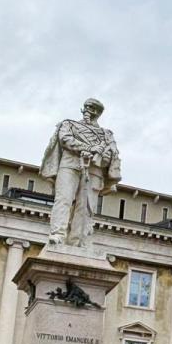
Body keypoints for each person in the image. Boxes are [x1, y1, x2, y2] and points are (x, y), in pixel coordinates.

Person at [40, 98, 121, 247]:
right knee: (63, 199)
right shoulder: (69, 124)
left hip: (94, 170)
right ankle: (57, 234)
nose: (89, 110)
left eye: (93, 108)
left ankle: (78, 241)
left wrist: (104, 157)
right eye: (87, 107)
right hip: (70, 165)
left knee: (85, 208)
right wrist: (90, 148)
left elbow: (113, 154)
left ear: (98, 112)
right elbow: (65, 139)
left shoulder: (106, 135)